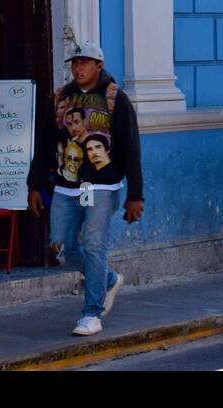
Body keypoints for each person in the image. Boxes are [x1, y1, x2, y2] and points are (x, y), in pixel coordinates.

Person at [27, 41, 143, 337]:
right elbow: (43, 143)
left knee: (94, 245)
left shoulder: (116, 98)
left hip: (103, 185)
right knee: (62, 248)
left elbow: (131, 148)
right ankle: (108, 280)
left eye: (85, 62)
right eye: (74, 63)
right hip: (66, 185)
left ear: (99, 66)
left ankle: (91, 313)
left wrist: (135, 195)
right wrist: (35, 185)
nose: (78, 68)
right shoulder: (60, 98)